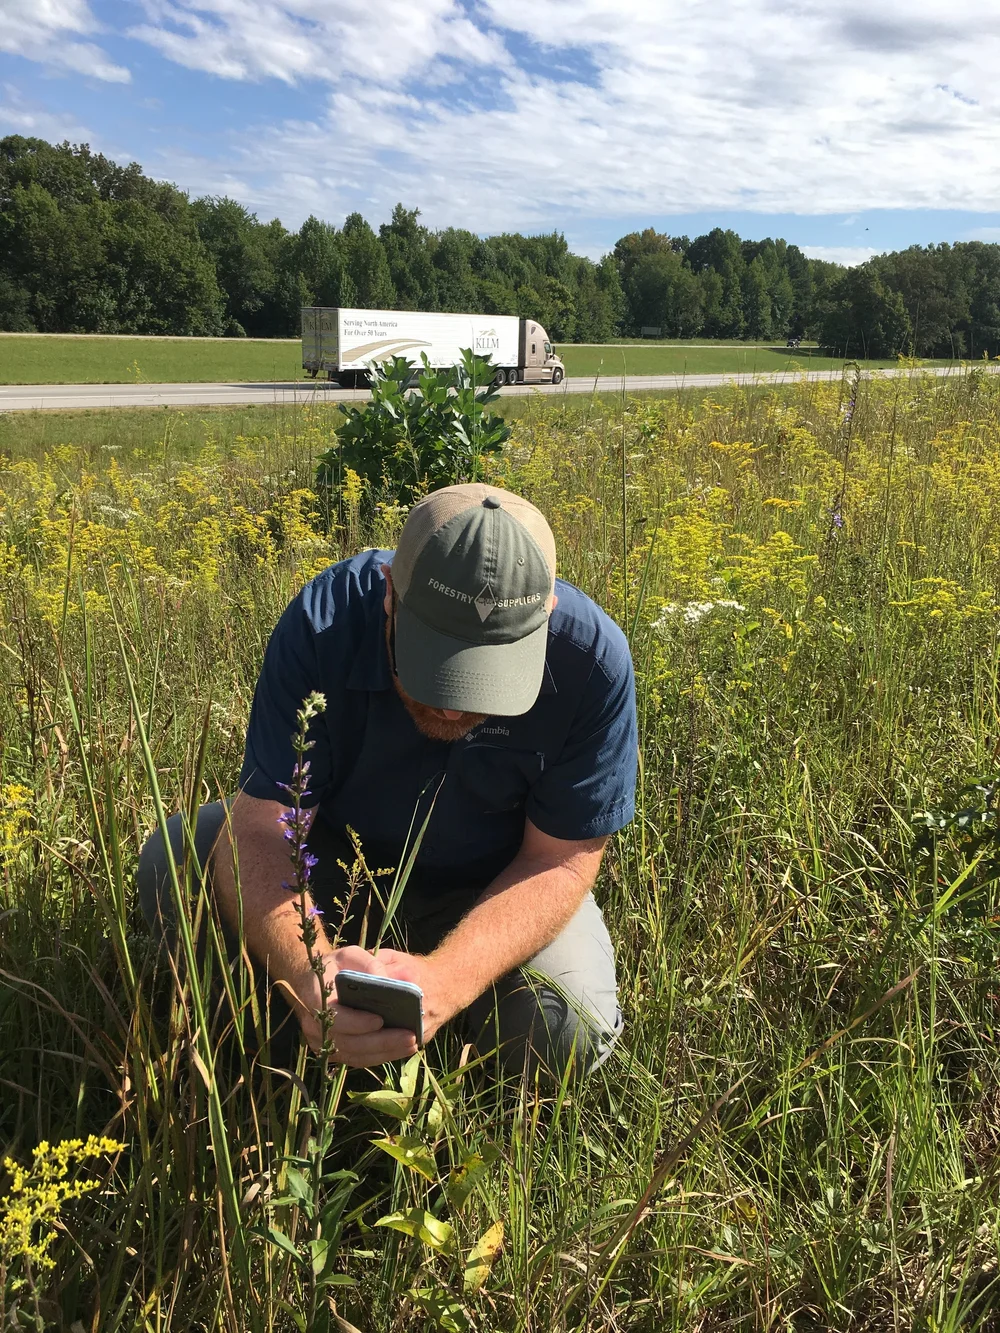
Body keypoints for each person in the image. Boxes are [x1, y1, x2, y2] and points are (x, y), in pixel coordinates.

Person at [139, 483, 637, 1079]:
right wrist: (308, 973)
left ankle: (439, 1052)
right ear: (389, 600)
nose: (453, 710)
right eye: (435, 666)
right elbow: (264, 828)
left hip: (490, 885)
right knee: (174, 861)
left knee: (567, 1024)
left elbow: (558, 862)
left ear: (546, 615)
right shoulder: (322, 625)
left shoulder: (594, 663)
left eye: (487, 677)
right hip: (332, 867)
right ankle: (275, 1049)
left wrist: (448, 982)